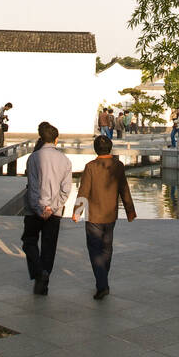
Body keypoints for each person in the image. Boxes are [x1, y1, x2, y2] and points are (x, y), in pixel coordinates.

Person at [73, 134, 137, 299]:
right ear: (110, 148)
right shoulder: (118, 165)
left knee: (95, 250)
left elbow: (84, 191)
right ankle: (103, 279)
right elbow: (124, 189)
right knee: (107, 247)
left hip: (94, 215)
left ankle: (102, 284)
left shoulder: (91, 167)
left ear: (95, 149)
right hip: (110, 214)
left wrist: (77, 212)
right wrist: (130, 211)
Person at [22, 122, 72, 296]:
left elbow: (33, 186)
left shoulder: (34, 157)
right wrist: (53, 207)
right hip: (54, 212)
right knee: (49, 245)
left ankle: (38, 272)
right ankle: (44, 275)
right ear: (56, 140)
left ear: (41, 138)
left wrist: (39, 207)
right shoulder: (65, 160)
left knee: (29, 241)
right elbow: (66, 189)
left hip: (34, 209)